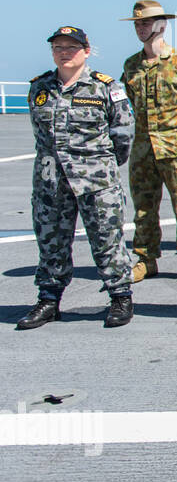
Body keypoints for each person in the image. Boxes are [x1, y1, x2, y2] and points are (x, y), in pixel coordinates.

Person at [19, 26, 135, 330]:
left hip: (96, 183)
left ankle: (120, 297)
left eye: (71, 47)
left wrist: (101, 166)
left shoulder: (105, 89)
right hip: (51, 184)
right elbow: (40, 137)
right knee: (51, 243)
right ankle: (48, 300)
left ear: (86, 50)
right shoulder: (39, 88)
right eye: (58, 47)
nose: (64, 52)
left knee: (107, 241)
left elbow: (123, 135)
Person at [119, 0, 177, 285]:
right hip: (144, 150)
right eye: (137, 24)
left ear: (161, 25)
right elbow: (132, 102)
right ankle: (146, 258)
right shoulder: (131, 66)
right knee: (143, 207)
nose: (140, 28)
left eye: (145, 23)